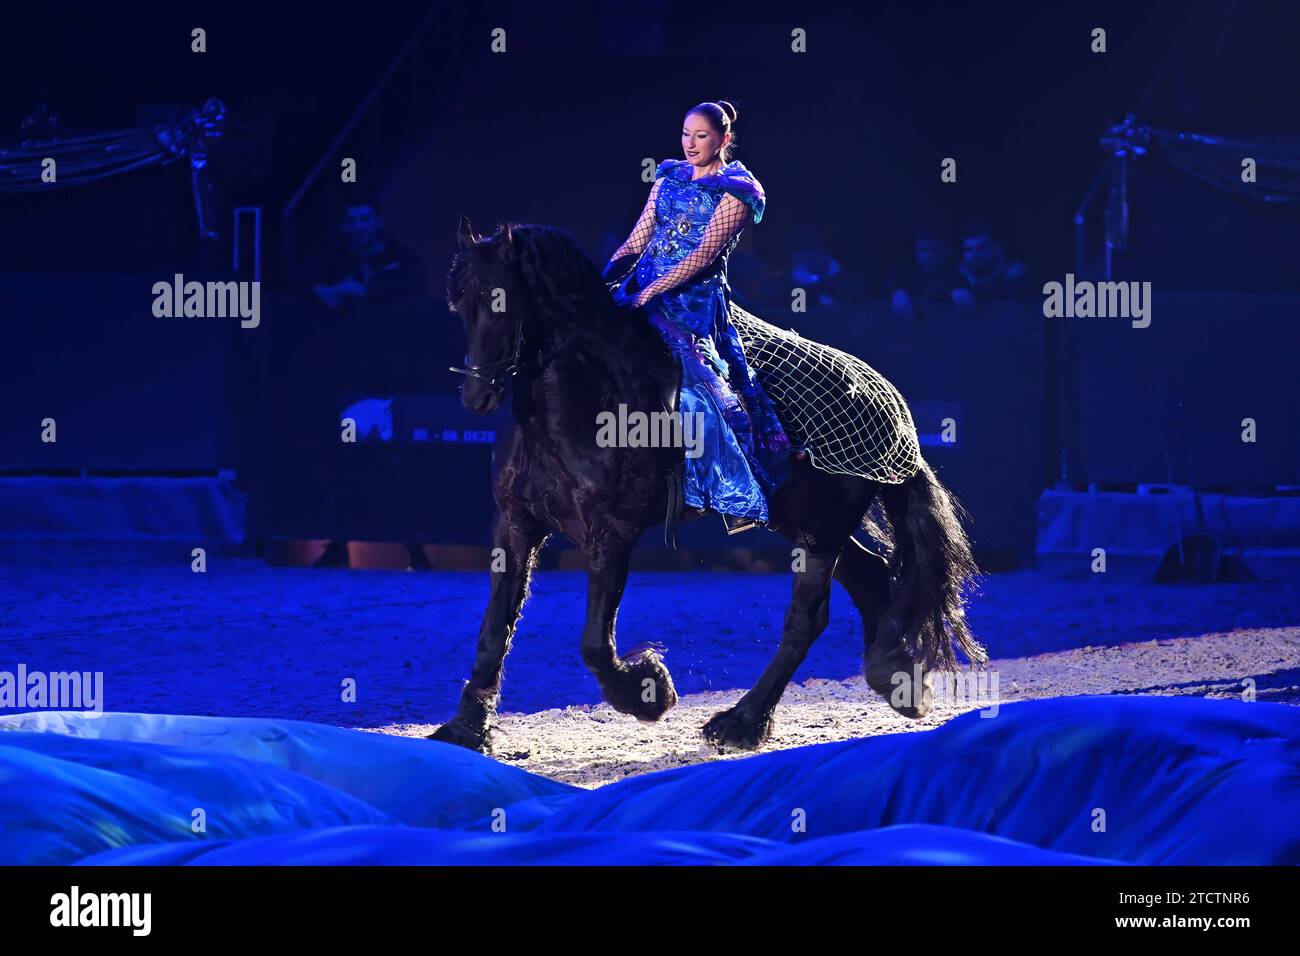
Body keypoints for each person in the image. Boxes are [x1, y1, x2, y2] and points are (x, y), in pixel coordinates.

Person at [603, 100, 790, 533]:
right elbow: (637, 240)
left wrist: (648, 293)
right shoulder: (668, 176)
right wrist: (604, 282)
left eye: (701, 136)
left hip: (691, 305)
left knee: (696, 390)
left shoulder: (740, 190)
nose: (690, 144)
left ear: (724, 139)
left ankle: (734, 494)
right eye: (686, 134)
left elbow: (703, 256)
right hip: (639, 291)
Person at [888, 225, 963, 318]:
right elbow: (888, 285)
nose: (927, 256)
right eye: (923, 250)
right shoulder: (906, 271)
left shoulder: (959, 272)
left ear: (948, 251)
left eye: (934, 250)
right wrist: (898, 290)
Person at [952, 221, 1030, 308]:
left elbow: (1008, 290)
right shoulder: (958, 271)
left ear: (995, 249)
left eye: (981, 248)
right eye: (968, 249)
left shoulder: (1014, 270)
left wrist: (970, 286)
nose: (974, 255)